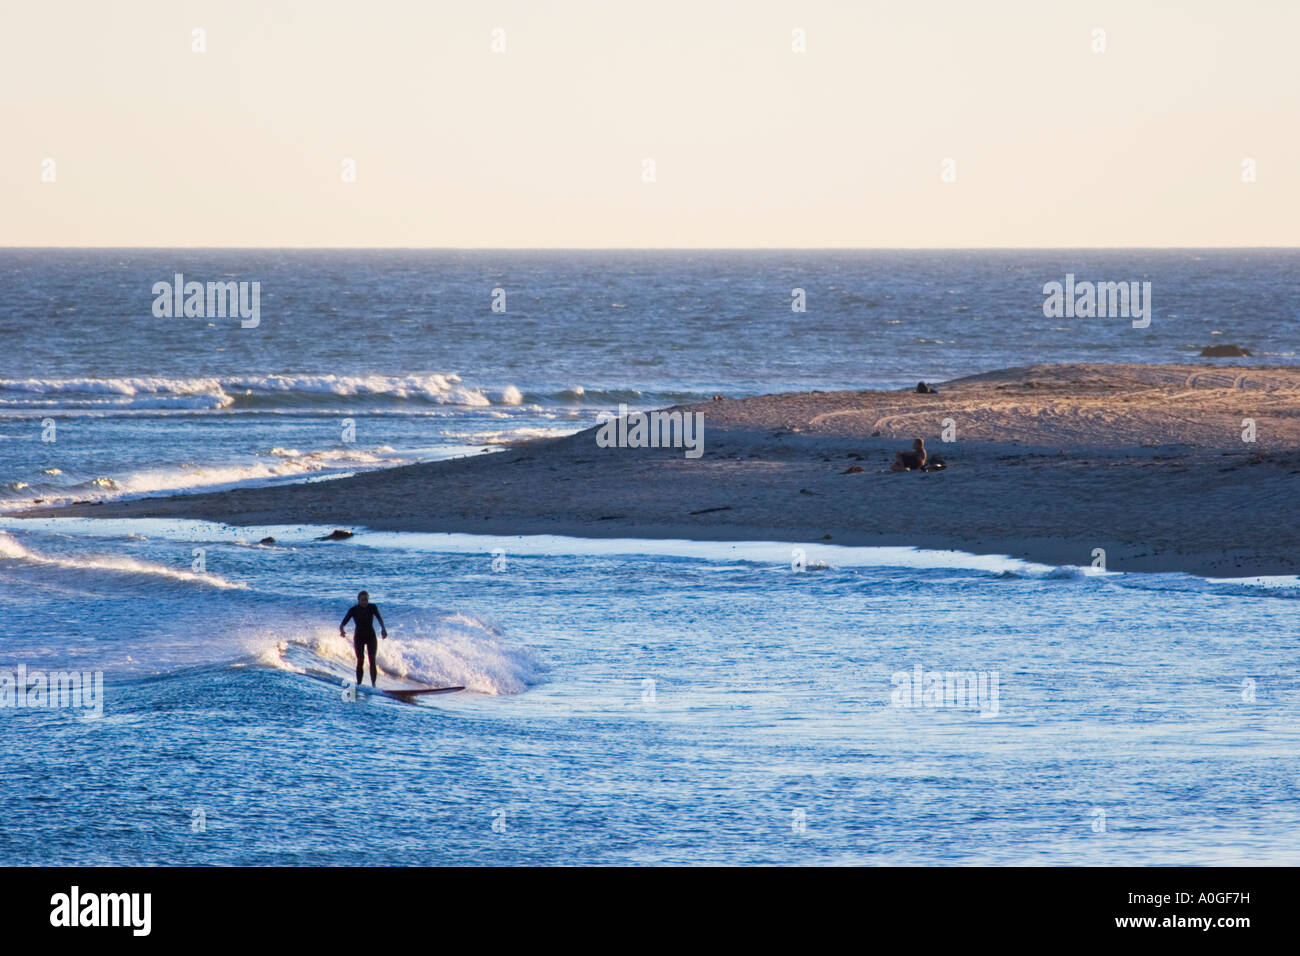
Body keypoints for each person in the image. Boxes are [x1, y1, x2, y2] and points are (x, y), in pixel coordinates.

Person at [340, 590, 387, 686]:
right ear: (358, 600)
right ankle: (359, 684)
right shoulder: (353, 610)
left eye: (366, 600)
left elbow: (379, 618)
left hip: (371, 637)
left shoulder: (372, 607)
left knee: (372, 660)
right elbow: (342, 624)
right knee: (360, 660)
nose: (365, 602)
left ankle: (373, 685)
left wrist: (383, 629)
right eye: (363, 600)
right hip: (359, 638)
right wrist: (342, 631)